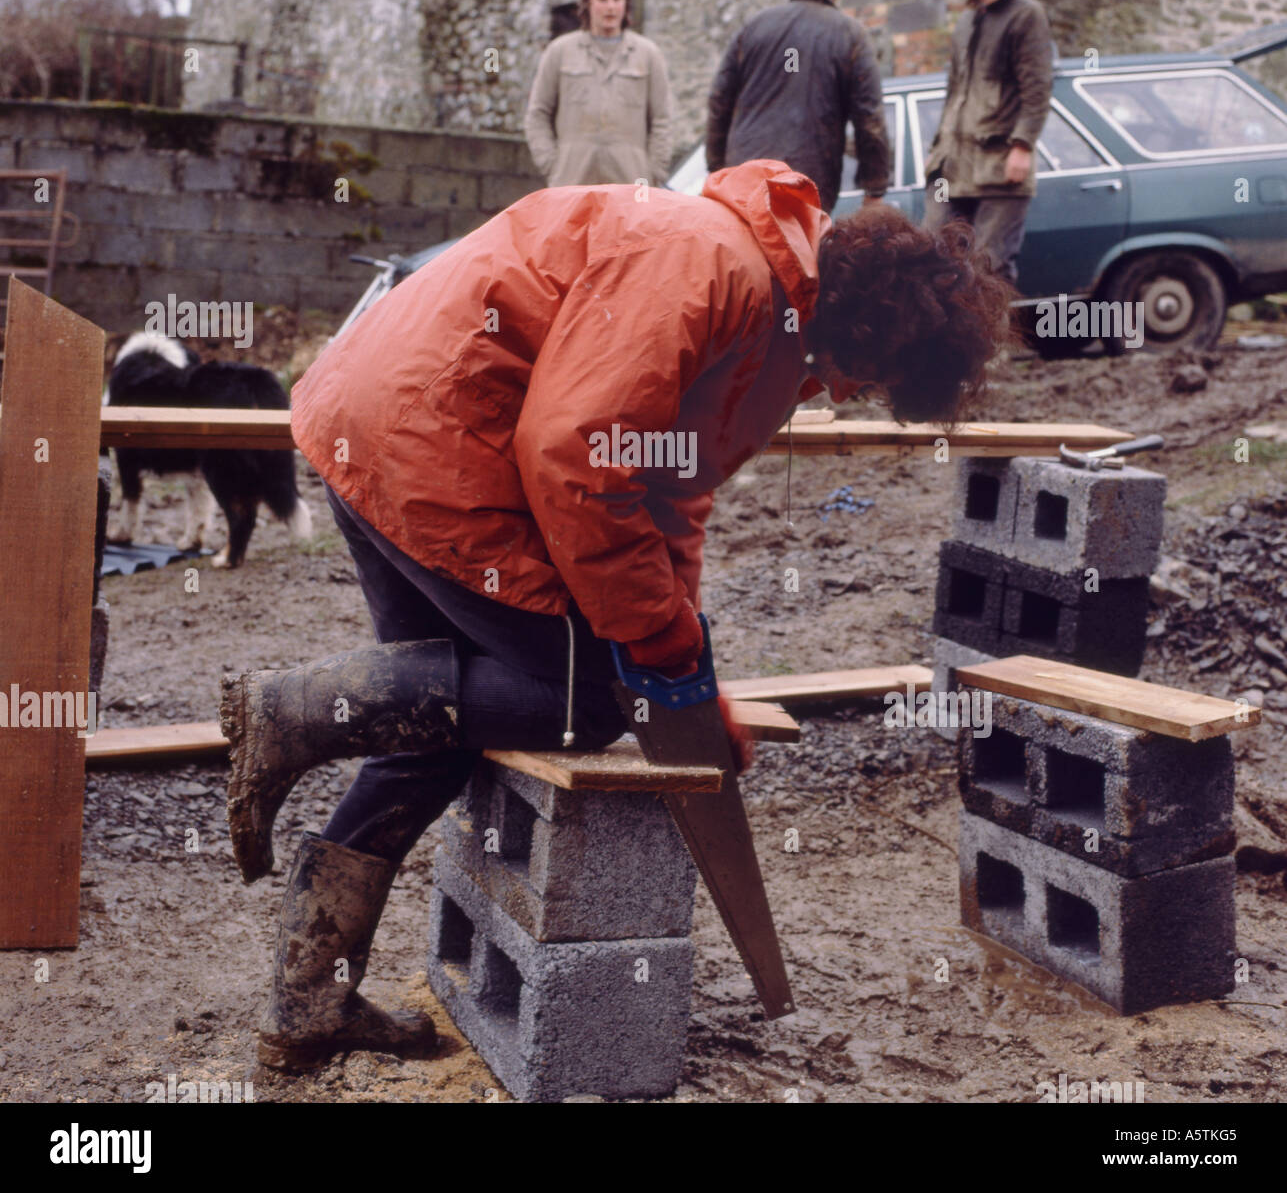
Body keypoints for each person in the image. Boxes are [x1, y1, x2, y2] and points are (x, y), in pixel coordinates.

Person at [220, 160, 1010, 1074]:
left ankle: (305, 999)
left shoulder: (773, 310)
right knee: (584, 701)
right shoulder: (714, 271)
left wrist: (685, 670)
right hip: (426, 438)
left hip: (393, 421)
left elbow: (669, 497)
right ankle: (293, 710)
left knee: (439, 721)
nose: (845, 395)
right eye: (865, 376)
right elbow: (577, 457)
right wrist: (649, 652)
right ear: (869, 321)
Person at [705, 0, 891, 215]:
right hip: (809, 184)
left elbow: (719, 101)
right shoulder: (852, 37)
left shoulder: (754, 26)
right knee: (797, 256)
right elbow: (870, 120)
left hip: (744, 176)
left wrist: (717, 169)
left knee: (742, 256)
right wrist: (874, 189)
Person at [921, 0, 1054, 284]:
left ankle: (994, 342)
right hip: (952, 167)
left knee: (988, 270)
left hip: (999, 167)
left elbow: (1038, 87)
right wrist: (937, 149)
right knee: (932, 259)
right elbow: (954, 92)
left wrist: (1023, 145)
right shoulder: (965, 21)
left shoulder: (1026, 15)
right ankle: (942, 341)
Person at [523, 0, 672, 187]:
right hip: (572, 184)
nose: (610, 7)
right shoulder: (560, 52)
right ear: (588, 3)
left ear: (626, 4)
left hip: (630, 186)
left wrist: (652, 173)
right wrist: (553, 165)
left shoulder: (648, 54)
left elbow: (663, 120)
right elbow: (538, 114)